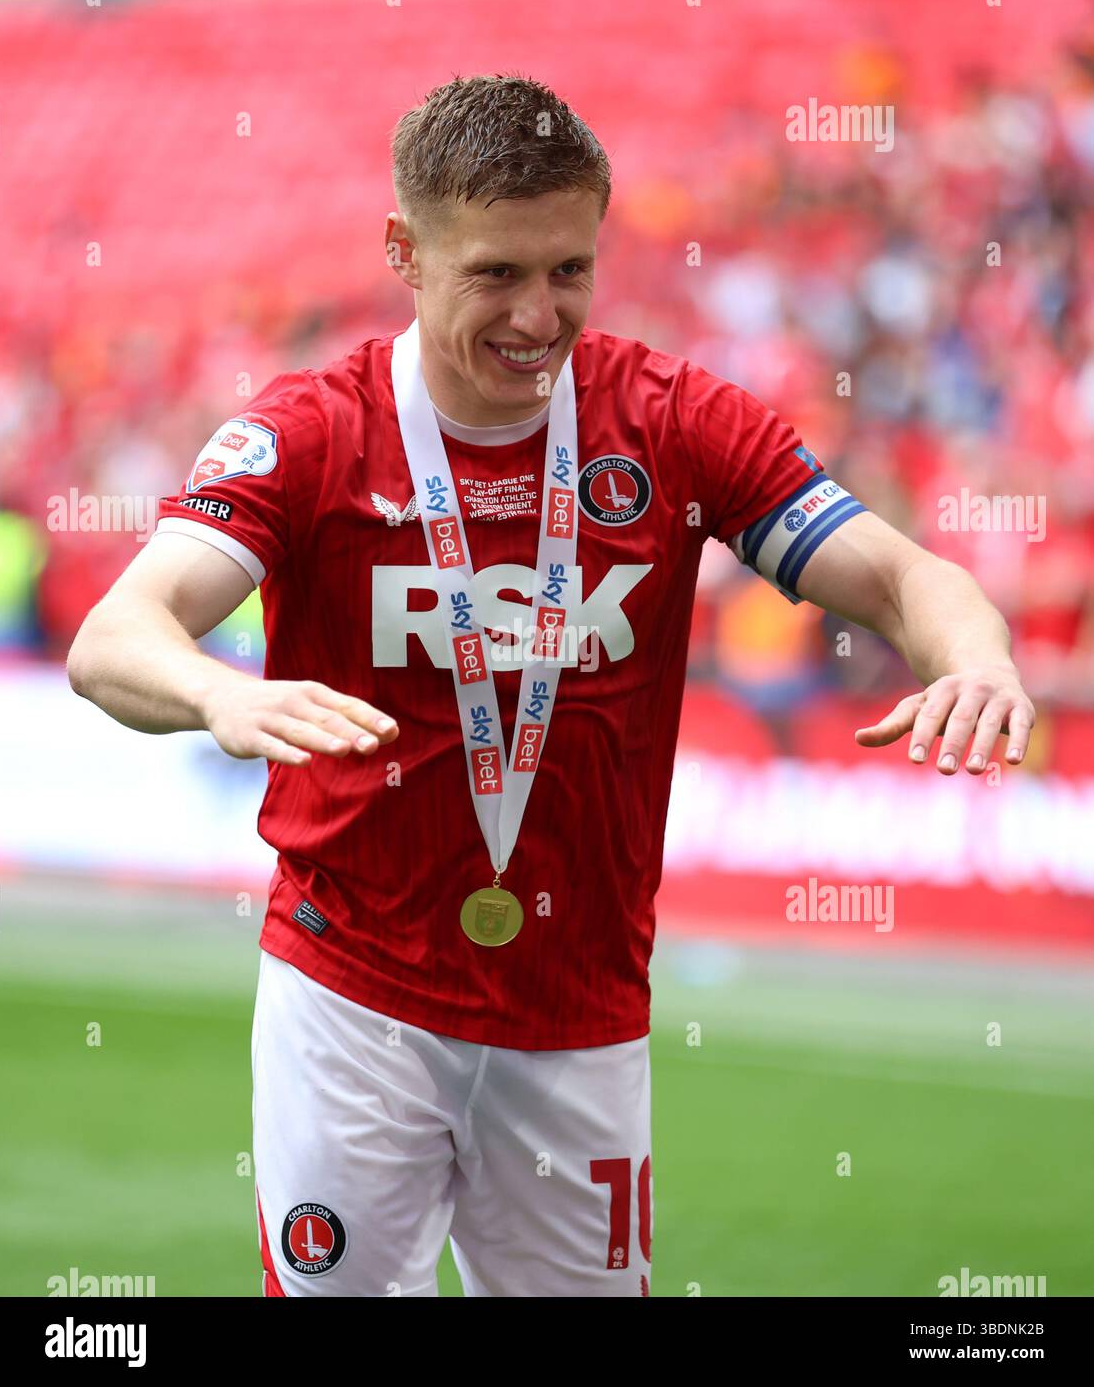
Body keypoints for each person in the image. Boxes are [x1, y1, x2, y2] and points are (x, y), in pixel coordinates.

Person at [66, 74, 1035, 1298]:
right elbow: (117, 634)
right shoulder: (311, 434)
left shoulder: (674, 424)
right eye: (496, 276)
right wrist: (219, 695)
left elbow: (902, 578)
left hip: (578, 1007)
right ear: (403, 254)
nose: (540, 315)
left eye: (569, 270)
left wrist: (978, 656)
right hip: (351, 993)